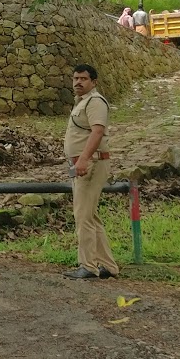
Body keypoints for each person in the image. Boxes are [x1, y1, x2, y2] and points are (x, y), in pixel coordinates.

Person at [63, 64, 119, 280]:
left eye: (83, 79)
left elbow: (97, 132)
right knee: (90, 216)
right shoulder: (83, 102)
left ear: (93, 82)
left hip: (91, 164)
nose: (78, 82)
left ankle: (88, 266)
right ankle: (107, 265)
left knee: (83, 216)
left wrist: (84, 160)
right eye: (75, 78)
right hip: (85, 164)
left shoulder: (95, 102)